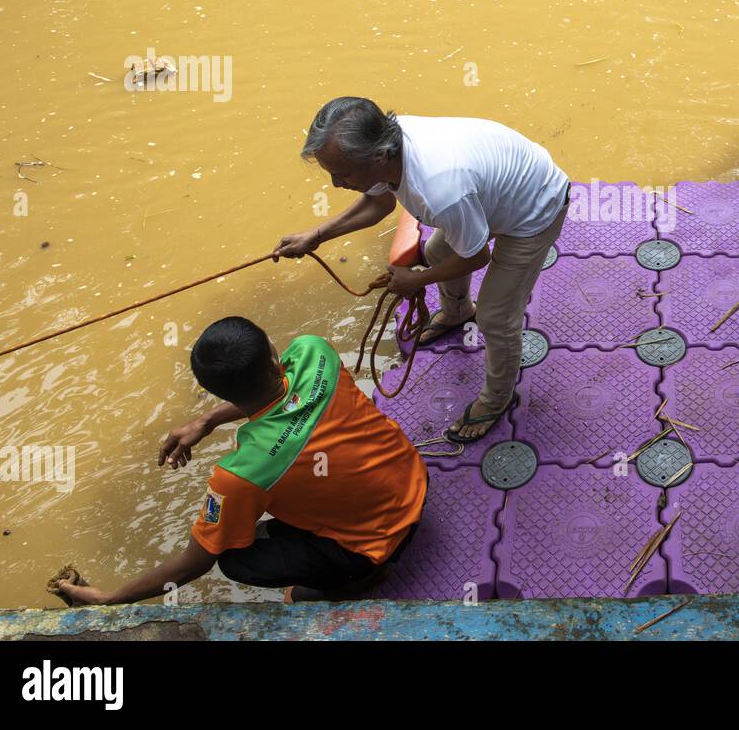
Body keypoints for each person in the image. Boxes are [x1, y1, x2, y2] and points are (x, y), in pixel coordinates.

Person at [54, 317, 428, 606]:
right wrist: (207, 421)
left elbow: (193, 564)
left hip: (378, 543)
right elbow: (275, 392)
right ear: (274, 357)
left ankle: (359, 579)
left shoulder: (241, 476)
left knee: (233, 558)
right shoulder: (316, 353)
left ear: (213, 390)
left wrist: (109, 598)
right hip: (414, 482)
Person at [273, 98, 569, 444]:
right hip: (491, 194)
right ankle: (458, 311)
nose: (337, 184)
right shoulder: (386, 144)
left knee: (496, 316)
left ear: (378, 156)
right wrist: (318, 235)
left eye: (343, 174)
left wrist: (416, 279)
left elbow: (477, 257)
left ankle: (496, 399)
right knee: (437, 249)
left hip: (533, 208)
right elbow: (379, 201)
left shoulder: (440, 188)